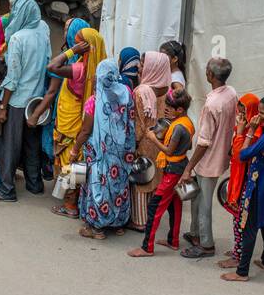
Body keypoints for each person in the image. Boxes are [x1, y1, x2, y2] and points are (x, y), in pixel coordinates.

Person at [0, 0, 51, 197]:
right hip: (37, 98)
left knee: (8, 145)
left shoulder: (17, 38)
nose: (12, 13)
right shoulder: (43, 28)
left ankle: (6, 189)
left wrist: (3, 108)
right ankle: (34, 183)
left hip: (17, 100)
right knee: (32, 143)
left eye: (14, 9)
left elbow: (12, 78)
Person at [39, 22, 104, 218]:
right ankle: (74, 203)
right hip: (81, 122)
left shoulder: (79, 69)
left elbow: (52, 66)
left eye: (77, 44)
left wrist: (70, 52)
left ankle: (70, 205)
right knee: (76, 162)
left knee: (70, 164)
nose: (73, 45)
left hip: (71, 123)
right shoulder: (99, 67)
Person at [220, 94, 264, 280]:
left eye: (262, 113)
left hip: (258, 186)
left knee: (249, 227)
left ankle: (242, 272)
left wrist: (248, 132)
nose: (259, 116)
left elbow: (243, 154)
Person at [178, 57, 237, 258]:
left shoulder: (212, 104)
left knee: (203, 203)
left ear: (210, 75)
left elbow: (204, 142)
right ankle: (195, 233)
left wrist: (188, 168)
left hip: (208, 160)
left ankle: (206, 244)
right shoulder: (231, 93)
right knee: (197, 198)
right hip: (220, 155)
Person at [73, 58, 135, 238]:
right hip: (122, 153)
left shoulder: (95, 101)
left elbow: (85, 130)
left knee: (98, 186)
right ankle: (118, 224)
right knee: (118, 185)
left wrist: (74, 149)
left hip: (100, 153)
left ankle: (97, 228)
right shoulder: (126, 94)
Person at [130, 86, 194, 256]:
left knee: (154, 207)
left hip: (173, 170)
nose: (165, 110)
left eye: (169, 108)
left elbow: (168, 151)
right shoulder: (187, 122)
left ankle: (147, 247)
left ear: (179, 109)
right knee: (175, 205)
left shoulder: (179, 127)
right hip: (179, 167)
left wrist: (152, 138)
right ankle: (173, 241)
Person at [128, 51, 171, 231]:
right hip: (160, 142)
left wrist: (133, 144)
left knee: (141, 179)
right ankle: (151, 217)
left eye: (144, 64)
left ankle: (139, 221)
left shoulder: (141, 91)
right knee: (153, 177)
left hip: (145, 143)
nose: (139, 67)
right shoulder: (165, 90)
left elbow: (138, 125)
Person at [218, 93, 262, 268]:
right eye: (239, 111)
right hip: (239, 178)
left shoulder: (256, 133)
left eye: (243, 111)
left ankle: (238, 255)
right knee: (237, 219)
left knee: (240, 220)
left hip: (246, 181)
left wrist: (242, 132)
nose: (240, 115)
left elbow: (239, 155)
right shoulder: (245, 127)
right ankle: (238, 249)